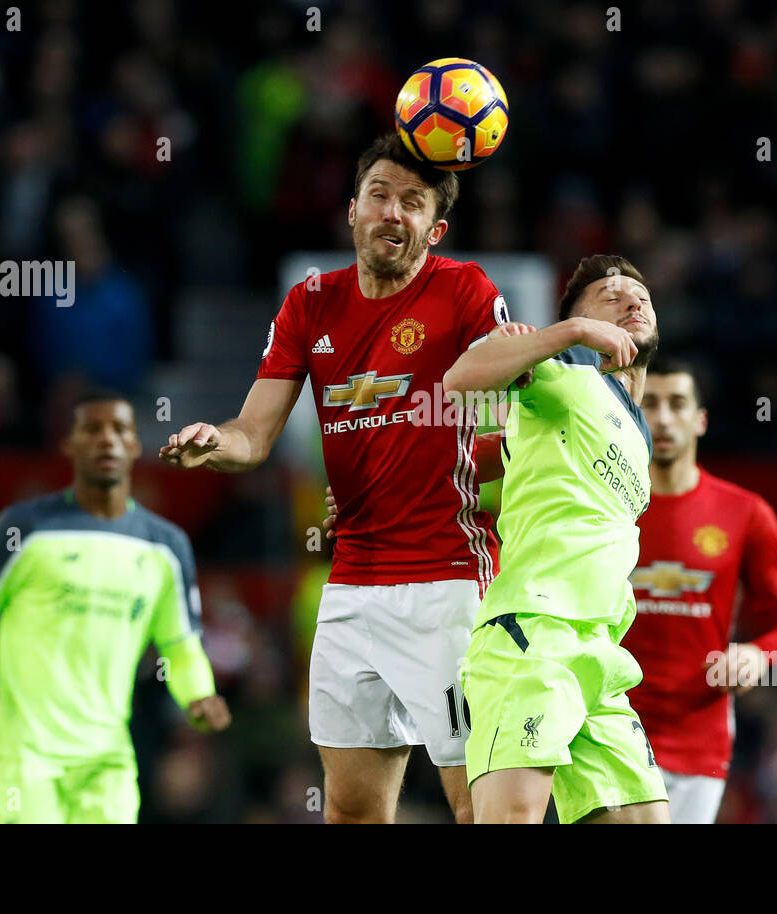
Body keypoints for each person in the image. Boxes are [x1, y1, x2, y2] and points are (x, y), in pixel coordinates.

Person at [161, 133, 515, 824]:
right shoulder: (310, 303)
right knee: (351, 809)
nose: (391, 212)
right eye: (379, 195)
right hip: (351, 584)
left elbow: (516, 409)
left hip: (449, 585)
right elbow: (252, 435)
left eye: (411, 203)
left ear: (434, 229)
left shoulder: (465, 289)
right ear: (352, 210)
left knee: (478, 804)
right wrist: (214, 441)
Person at [0, 392, 230, 824]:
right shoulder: (23, 530)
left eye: (119, 430)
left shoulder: (166, 547)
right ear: (70, 445)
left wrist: (199, 694)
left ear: (136, 445)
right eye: (92, 430)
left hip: (106, 763)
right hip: (25, 762)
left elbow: (180, 645)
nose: (106, 440)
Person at [442, 254, 670, 823]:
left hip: (601, 652)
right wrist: (561, 334)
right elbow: (459, 381)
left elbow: (483, 467)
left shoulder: (639, 437)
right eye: (610, 297)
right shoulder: (564, 368)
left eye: (639, 295)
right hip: (533, 637)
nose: (631, 302)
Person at [621, 358, 777, 823]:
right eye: (649, 404)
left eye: (677, 404)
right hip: (607, 725)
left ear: (700, 419)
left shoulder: (744, 513)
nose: (663, 418)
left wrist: (759, 655)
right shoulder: (600, 507)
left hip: (698, 736)